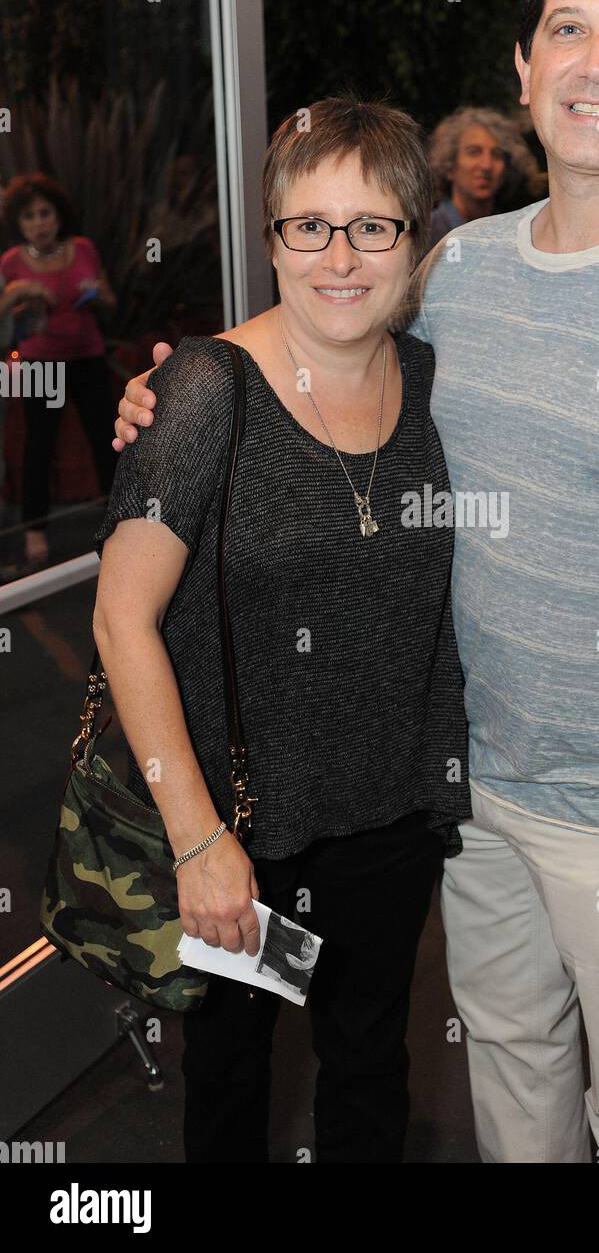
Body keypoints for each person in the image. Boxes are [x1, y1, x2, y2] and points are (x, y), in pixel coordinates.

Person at [113, 0, 599, 1165]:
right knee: (514, 1107)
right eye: (568, 29)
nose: (597, 62)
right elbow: (319, 334)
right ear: (522, 67)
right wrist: (176, 394)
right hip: (470, 803)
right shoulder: (458, 268)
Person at [93, 97, 471, 1163]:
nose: (338, 257)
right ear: (270, 240)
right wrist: (197, 840)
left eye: (371, 226)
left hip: (391, 817)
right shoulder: (205, 389)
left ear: (413, 236)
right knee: (229, 1092)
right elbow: (122, 618)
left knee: (368, 1072)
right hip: (239, 833)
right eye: (308, 226)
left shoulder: (440, 383)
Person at [0, 174, 118, 572]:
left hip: (87, 355)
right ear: (18, 222)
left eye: (45, 213)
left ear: (58, 215)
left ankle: (120, 523)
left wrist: (98, 293)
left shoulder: (84, 249)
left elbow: (109, 300)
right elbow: (3, 319)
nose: (39, 222)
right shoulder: (11, 262)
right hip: (40, 363)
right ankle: (35, 529)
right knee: (40, 444)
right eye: (29, 215)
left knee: (106, 439)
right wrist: (18, 294)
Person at [427, 106, 538, 248]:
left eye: (496, 155)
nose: (486, 165)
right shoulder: (426, 235)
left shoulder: (513, 237)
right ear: (449, 166)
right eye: (474, 152)